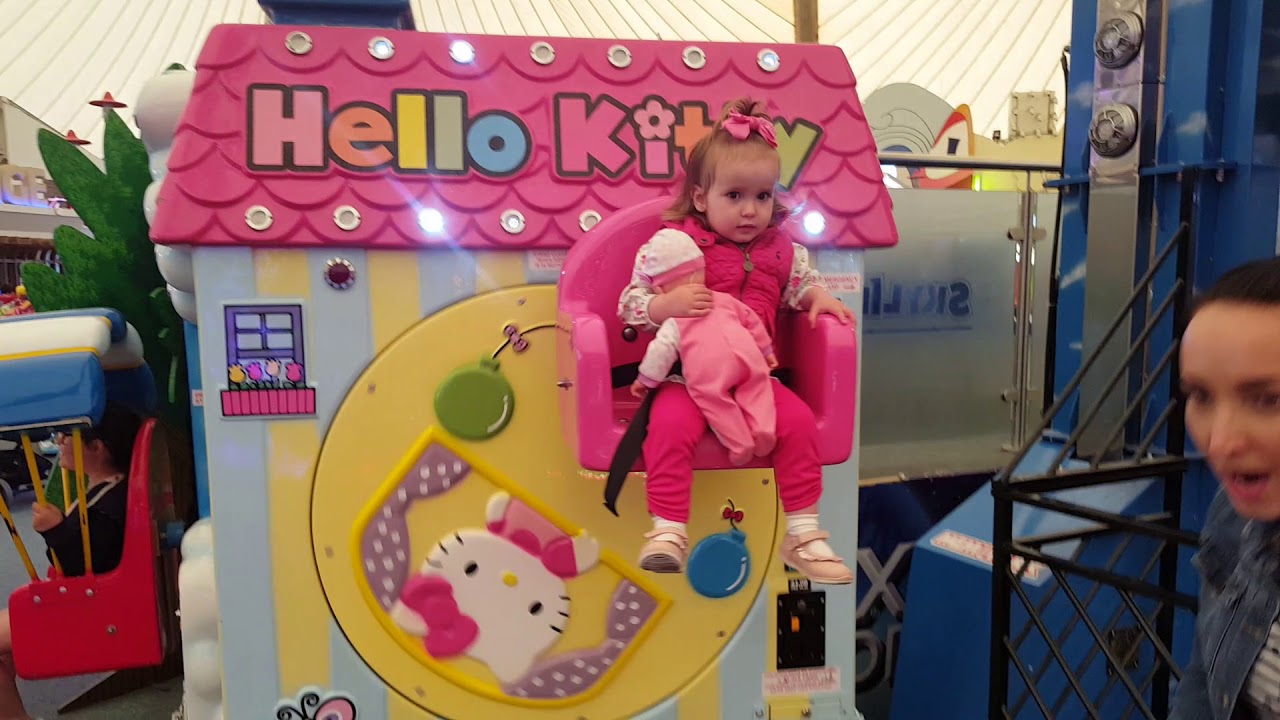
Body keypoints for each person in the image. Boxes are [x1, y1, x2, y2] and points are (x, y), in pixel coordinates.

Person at [617, 97, 856, 584]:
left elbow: (798, 285)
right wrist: (666, 306)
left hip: (752, 378)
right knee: (668, 426)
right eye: (735, 196)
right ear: (701, 197)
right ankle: (667, 528)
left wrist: (817, 297)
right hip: (685, 377)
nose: (751, 211)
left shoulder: (781, 251)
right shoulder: (675, 246)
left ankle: (804, 533)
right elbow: (630, 303)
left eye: (763, 197)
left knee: (797, 423)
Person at [1171, 256, 1280, 718]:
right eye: (1200, 396)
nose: (1219, 443)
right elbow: (1202, 677)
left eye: (1269, 400)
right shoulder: (1235, 515)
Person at [0, 402, 141, 719]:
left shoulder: (109, 504)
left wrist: (57, 530)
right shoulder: (106, 488)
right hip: (78, 599)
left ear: (97, 447)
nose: (58, 441)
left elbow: (89, 566)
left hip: (89, 608)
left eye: (66, 436)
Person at [629, 229, 780, 468]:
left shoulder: (675, 320)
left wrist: (646, 380)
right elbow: (751, 320)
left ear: (659, 289)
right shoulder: (723, 299)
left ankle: (741, 444)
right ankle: (764, 431)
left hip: (710, 371)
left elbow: (661, 351)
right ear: (701, 270)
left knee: (715, 401)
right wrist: (765, 351)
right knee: (757, 388)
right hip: (748, 356)